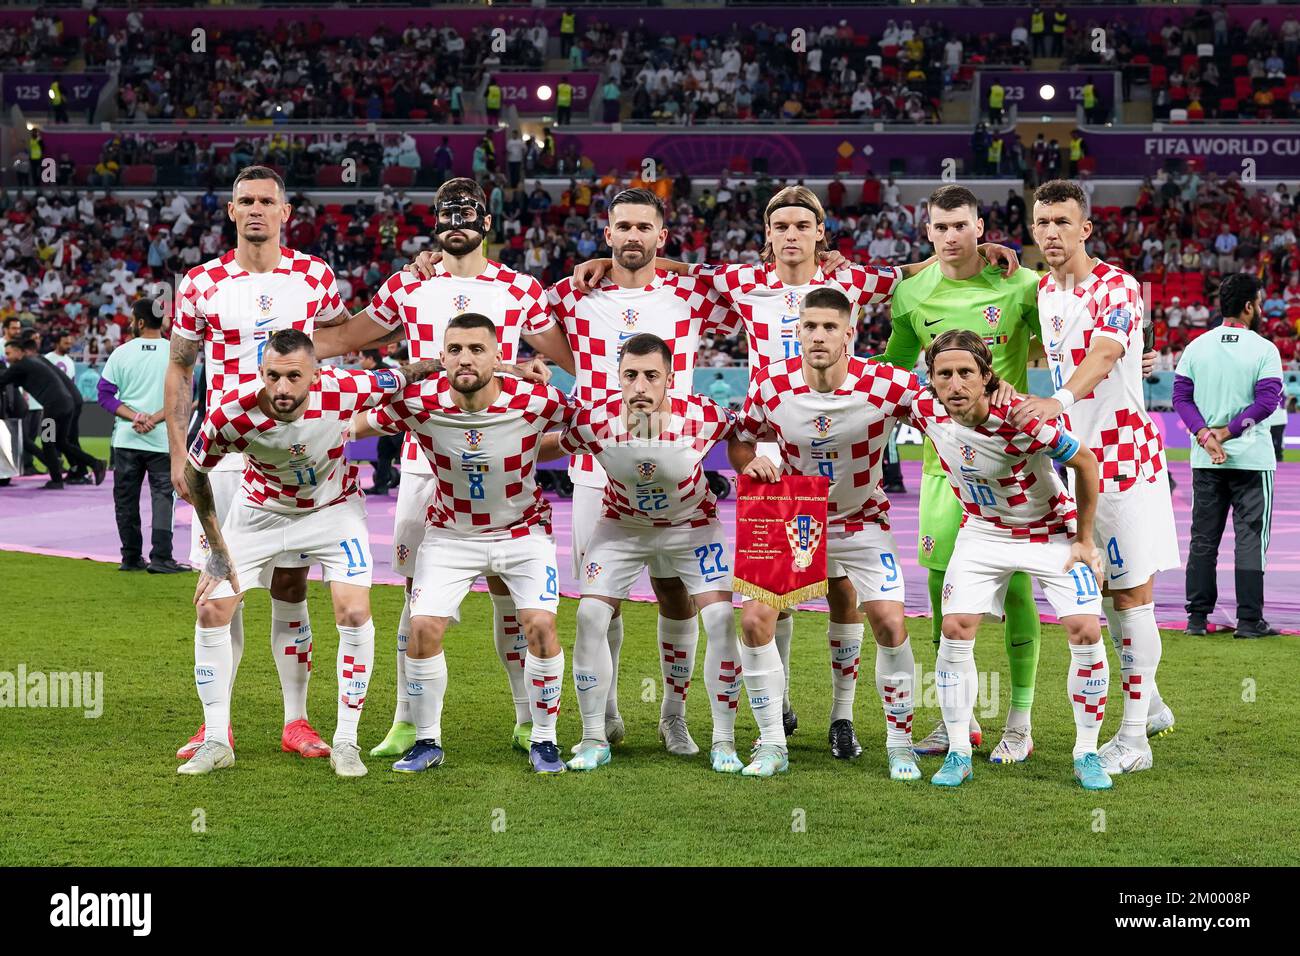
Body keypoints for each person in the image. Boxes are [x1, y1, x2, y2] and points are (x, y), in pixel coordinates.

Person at [573, 185, 1018, 752]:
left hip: (841, 435)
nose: (791, 236)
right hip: (774, 444)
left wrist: (984, 251)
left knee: (841, 592)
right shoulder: (742, 282)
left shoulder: (849, 281)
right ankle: (776, 706)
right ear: (767, 235)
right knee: (773, 594)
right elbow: (680, 267)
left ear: (819, 233)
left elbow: (913, 268)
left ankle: (842, 716)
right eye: (780, 226)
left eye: (802, 227)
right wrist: (606, 262)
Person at [317, 176, 573, 761]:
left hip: (505, 453)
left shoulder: (519, 288)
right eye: (445, 211)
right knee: (416, 595)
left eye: (469, 211)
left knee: (515, 595)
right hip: (423, 455)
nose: (457, 220)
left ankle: (527, 720)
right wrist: (270, 340)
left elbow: (572, 354)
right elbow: (345, 338)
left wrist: (525, 370)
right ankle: (409, 723)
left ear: (488, 222)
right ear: (433, 222)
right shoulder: (410, 286)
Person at [178, 330, 438, 777]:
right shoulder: (230, 414)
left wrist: (484, 367)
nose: (281, 389)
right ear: (261, 373)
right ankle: (218, 739)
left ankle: (346, 742)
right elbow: (194, 474)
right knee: (211, 610)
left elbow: (405, 375)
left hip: (332, 510)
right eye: (272, 376)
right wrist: (217, 547)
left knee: (354, 613)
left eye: (293, 377)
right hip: (259, 511)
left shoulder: (347, 388)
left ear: (315, 375)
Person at [166, 165, 352, 762]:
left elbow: (343, 345)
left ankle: (295, 721)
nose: (254, 210)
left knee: (291, 584)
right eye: (244, 201)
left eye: (265, 201)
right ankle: (214, 725)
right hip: (223, 454)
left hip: (291, 455)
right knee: (220, 586)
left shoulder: (314, 276)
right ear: (229, 211)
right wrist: (178, 449)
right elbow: (180, 365)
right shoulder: (201, 282)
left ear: (284, 212)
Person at [351, 314, 577, 774]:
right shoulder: (419, 402)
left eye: (477, 348)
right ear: (442, 357)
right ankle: (427, 741)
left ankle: (545, 739)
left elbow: (589, 423)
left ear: (499, 355)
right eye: (455, 349)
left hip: (523, 532)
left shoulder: (537, 399)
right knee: (422, 629)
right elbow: (354, 426)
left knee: (539, 627)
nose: (465, 358)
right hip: (450, 535)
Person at [1012, 178, 1181, 776]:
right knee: (1105, 590)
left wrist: (1056, 401)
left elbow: (1104, 357)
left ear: (1085, 228)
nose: (1052, 233)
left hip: (1124, 458)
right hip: (1076, 459)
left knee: (1132, 595)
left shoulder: (1117, 285)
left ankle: (1134, 737)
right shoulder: (1039, 291)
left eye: (1063, 222)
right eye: (1042, 223)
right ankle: (1152, 704)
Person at [873, 184, 1044, 764]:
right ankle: (957, 721)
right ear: (927, 232)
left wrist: (1133, 354)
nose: (950, 236)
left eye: (960, 226)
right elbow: (890, 370)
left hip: (1013, 464)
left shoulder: (1020, 283)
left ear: (979, 227)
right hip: (945, 468)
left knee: (1016, 586)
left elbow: (1067, 344)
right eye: (940, 227)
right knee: (946, 592)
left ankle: (1018, 722)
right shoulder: (911, 292)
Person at [730, 287, 924, 780]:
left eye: (829, 327)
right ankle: (773, 743)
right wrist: (751, 461)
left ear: (849, 333)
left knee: (888, 622)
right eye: (809, 326)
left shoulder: (887, 383)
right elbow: (742, 438)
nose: (818, 336)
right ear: (797, 331)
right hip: (796, 514)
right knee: (754, 619)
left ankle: (891, 740)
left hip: (862, 518)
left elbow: (945, 410)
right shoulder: (771, 384)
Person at [539, 333, 750, 773]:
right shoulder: (595, 420)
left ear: (669, 379)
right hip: (622, 528)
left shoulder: (703, 414)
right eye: (630, 375)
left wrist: (752, 465)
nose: (639, 386)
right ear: (617, 377)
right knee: (589, 616)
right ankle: (595, 735)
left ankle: (706, 732)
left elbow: (749, 430)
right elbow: (548, 443)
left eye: (651, 376)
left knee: (720, 618)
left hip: (692, 527)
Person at [917, 330, 1111, 790]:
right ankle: (960, 750)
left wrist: (1085, 541)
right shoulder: (923, 407)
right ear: (932, 381)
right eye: (945, 374)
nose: (955, 383)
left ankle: (1086, 753)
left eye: (967, 373)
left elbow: (1086, 463)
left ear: (987, 377)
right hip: (983, 532)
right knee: (954, 627)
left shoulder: (1022, 416)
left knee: (1084, 629)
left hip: (1049, 532)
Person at [1173, 273, 1283, 638]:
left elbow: (1180, 399)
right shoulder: (1264, 349)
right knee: (1251, 538)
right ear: (1249, 306)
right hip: (1251, 459)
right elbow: (1268, 401)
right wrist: (1229, 431)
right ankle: (1250, 621)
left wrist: (1206, 435)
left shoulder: (1196, 347)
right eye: (1260, 301)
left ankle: (1196, 618)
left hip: (1207, 459)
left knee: (1204, 537)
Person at [99, 297, 182, 573]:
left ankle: (131, 557)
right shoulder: (174, 352)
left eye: (133, 319)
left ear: (141, 322)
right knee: (163, 497)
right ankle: (161, 557)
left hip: (126, 439)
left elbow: (104, 395)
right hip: (161, 438)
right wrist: (155, 418)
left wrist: (135, 416)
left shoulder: (121, 352)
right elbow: (184, 396)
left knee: (125, 499)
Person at [0, 339, 104, 489]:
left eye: (9, 353)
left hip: (54, 407)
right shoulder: (33, 362)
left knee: (47, 443)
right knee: (61, 442)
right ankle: (95, 463)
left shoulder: (20, 365)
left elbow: (2, 380)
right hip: (67, 404)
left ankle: (56, 480)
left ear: (18, 352)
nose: (7, 357)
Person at [358, 349, 401, 494]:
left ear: (370, 358)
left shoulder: (384, 373)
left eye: (361, 358)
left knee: (404, 454)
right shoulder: (368, 375)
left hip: (397, 419)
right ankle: (380, 486)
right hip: (384, 420)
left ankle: (411, 489)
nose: (359, 362)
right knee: (383, 452)